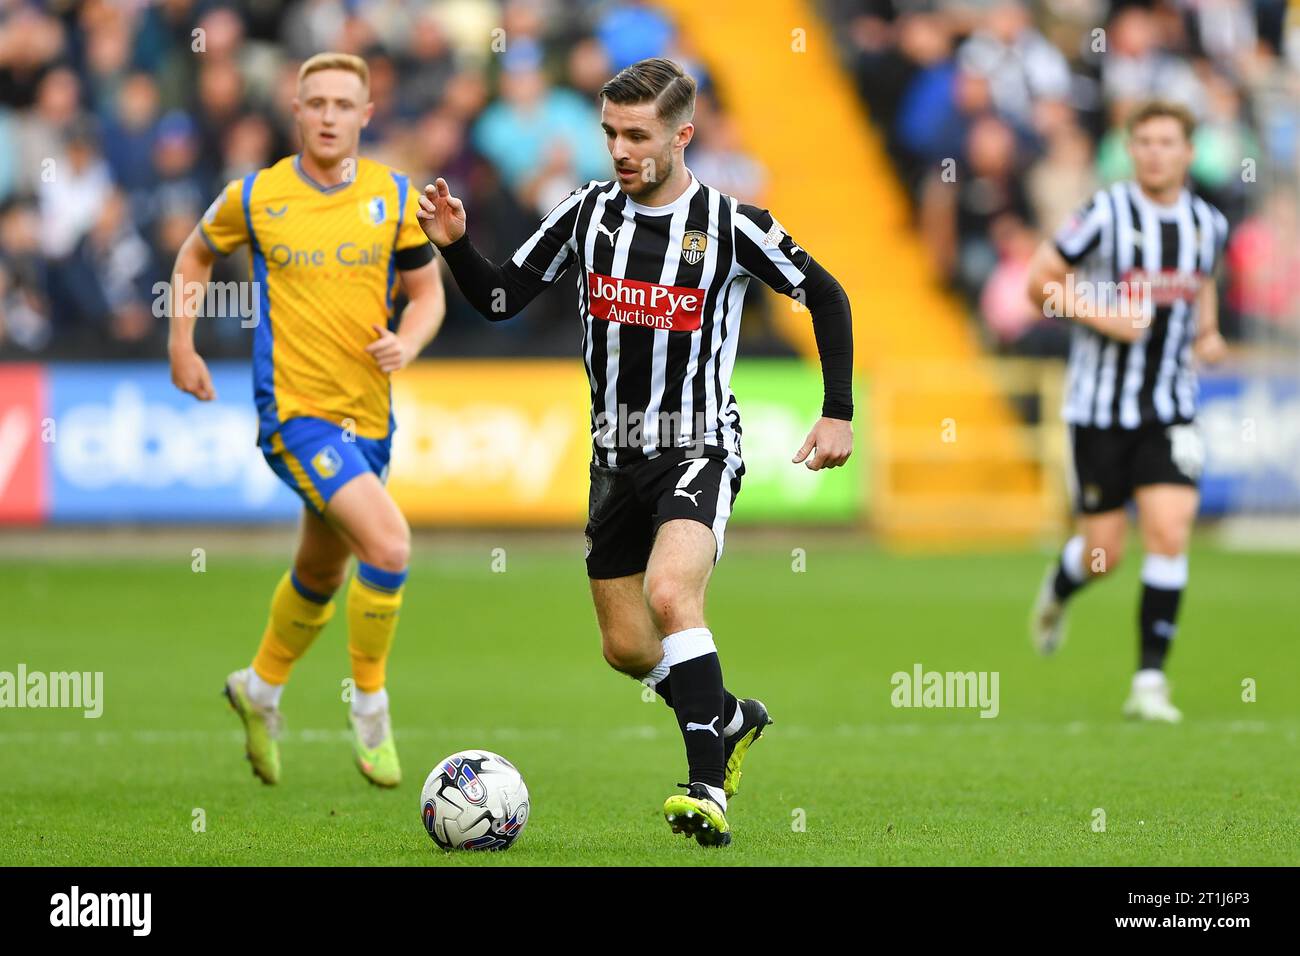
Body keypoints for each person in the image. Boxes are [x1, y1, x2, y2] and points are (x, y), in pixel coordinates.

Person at [418, 57, 854, 845]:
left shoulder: (733, 224)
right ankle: (726, 715)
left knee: (670, 594)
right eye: (610, 132)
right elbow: (499, 299)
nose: (619, 149)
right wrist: (456, 245)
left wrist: (837, 413)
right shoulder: (585, 213)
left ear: (683, 135)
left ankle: (706, 790)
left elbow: (825, 293)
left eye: (637, 135)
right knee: (626, 648)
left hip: (698, 445)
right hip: (613, 459)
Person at [168, 53, 446, 785]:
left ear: (365, 115)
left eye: (341, 104)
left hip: (370, 418)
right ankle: (371, 710)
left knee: (322, 569)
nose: (327, 115)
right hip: (295, 415)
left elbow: (427, 295)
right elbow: (193, 259)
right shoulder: (256, 197)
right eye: (314, 102)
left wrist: (407, 341)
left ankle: (257, 689)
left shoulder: (393, 195)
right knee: (388, 546)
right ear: (295, 111)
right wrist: (181, 344)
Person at [1026, 100, 1230, 722]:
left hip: (1171, 409)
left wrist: (1209, 334)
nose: (1154, 152)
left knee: (1170, 532)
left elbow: (1202, 286)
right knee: (1103, 555)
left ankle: (1148, 682)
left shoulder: (1207, 224)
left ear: (1188, 152)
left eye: (1166, 142)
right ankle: (1059, 591)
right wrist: (1105, 315)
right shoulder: (1104, 213)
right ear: (1130, 150)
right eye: (1143, 142)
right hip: (1098, 410)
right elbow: (1039, 281)